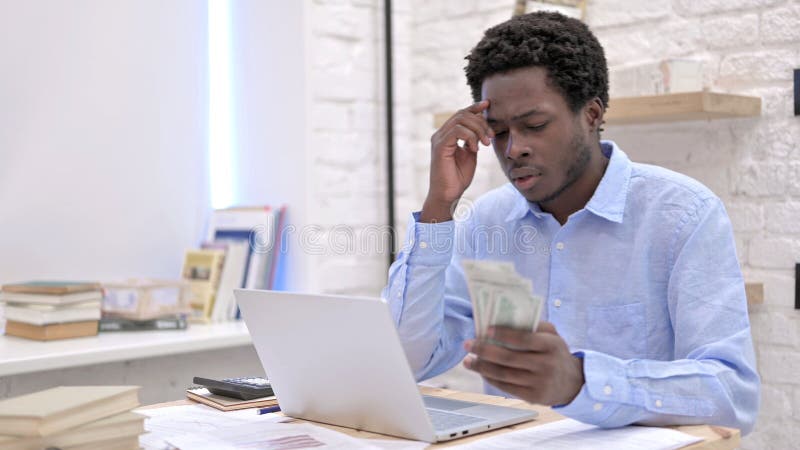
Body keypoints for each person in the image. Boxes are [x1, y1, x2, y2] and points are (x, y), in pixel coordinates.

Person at [382, 11, 759, 433]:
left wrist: (581, 381)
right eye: (499, 132)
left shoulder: (682, 214)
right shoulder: (488, 219)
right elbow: (405, 361)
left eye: (535, 125)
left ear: (592, 114)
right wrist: (438, 208)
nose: (514, 149)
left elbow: (732, 395)